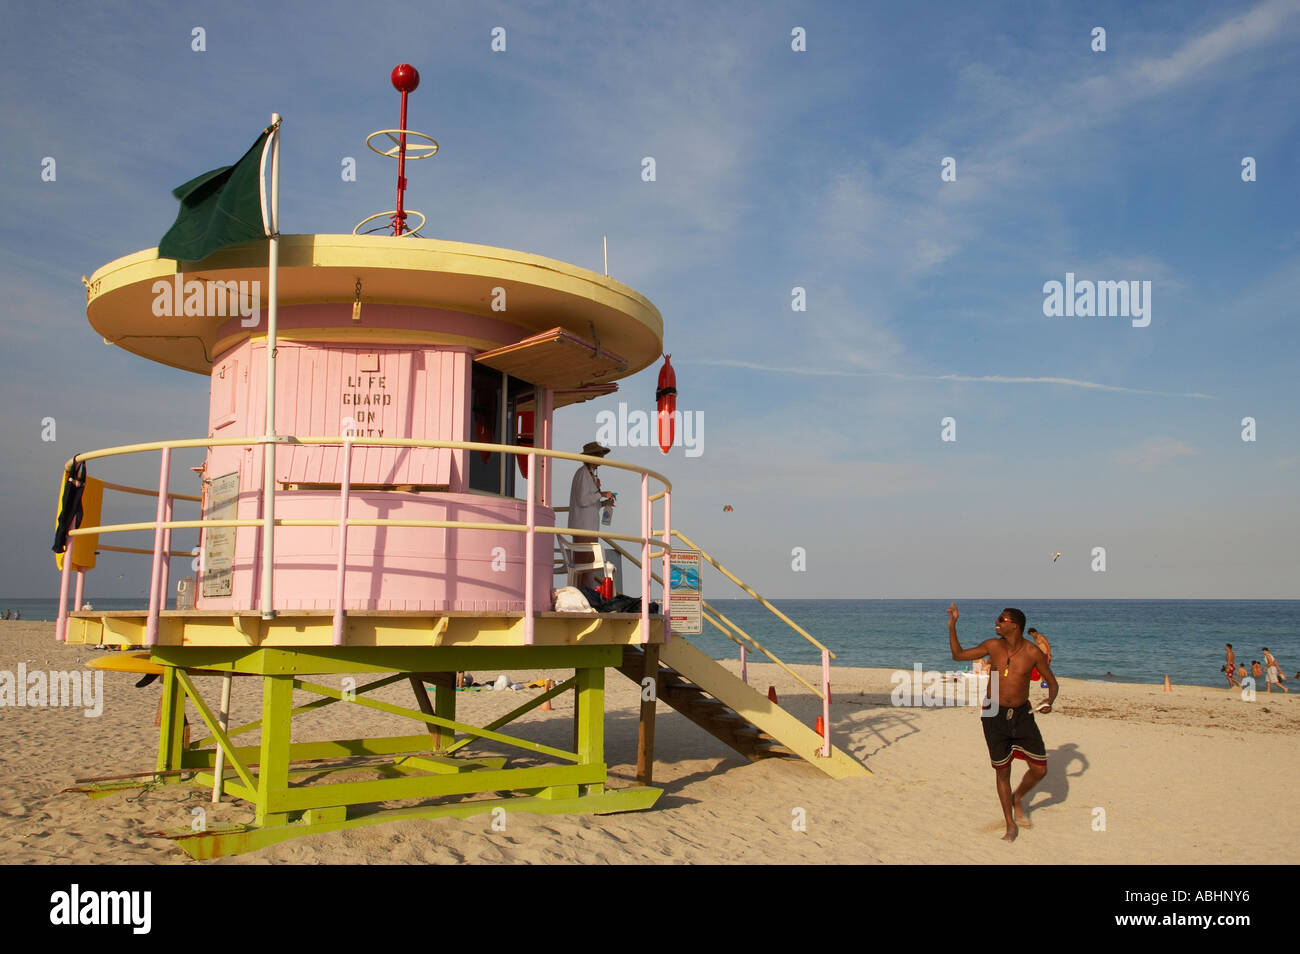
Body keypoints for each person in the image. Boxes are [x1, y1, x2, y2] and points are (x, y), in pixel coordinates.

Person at [948, 603, 1057, 842]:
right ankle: (1010, 824)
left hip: (1021, 714)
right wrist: (952, 624)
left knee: (1040, 769)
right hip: (993, 712)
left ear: (1014, 626)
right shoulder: (992, 646)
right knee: (1002, 771)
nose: (996, 621)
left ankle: (1018, 797)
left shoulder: (1032, 653)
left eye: (1002, 619)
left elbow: (1052, 682)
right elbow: (958, 656)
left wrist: (1049, 701)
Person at [567, 441, 615, 588]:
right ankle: (579, 593)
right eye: (599, 454)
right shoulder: (582, 473)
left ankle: (586, 594)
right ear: (592, 456)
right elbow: (582, 500)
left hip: (589, 527)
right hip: (582, 527)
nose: (602, 457)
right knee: (582, 565)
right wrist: (600, 494)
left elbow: (588, 502)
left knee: (589, 565)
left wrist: (603, 503)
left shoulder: (589, 475)